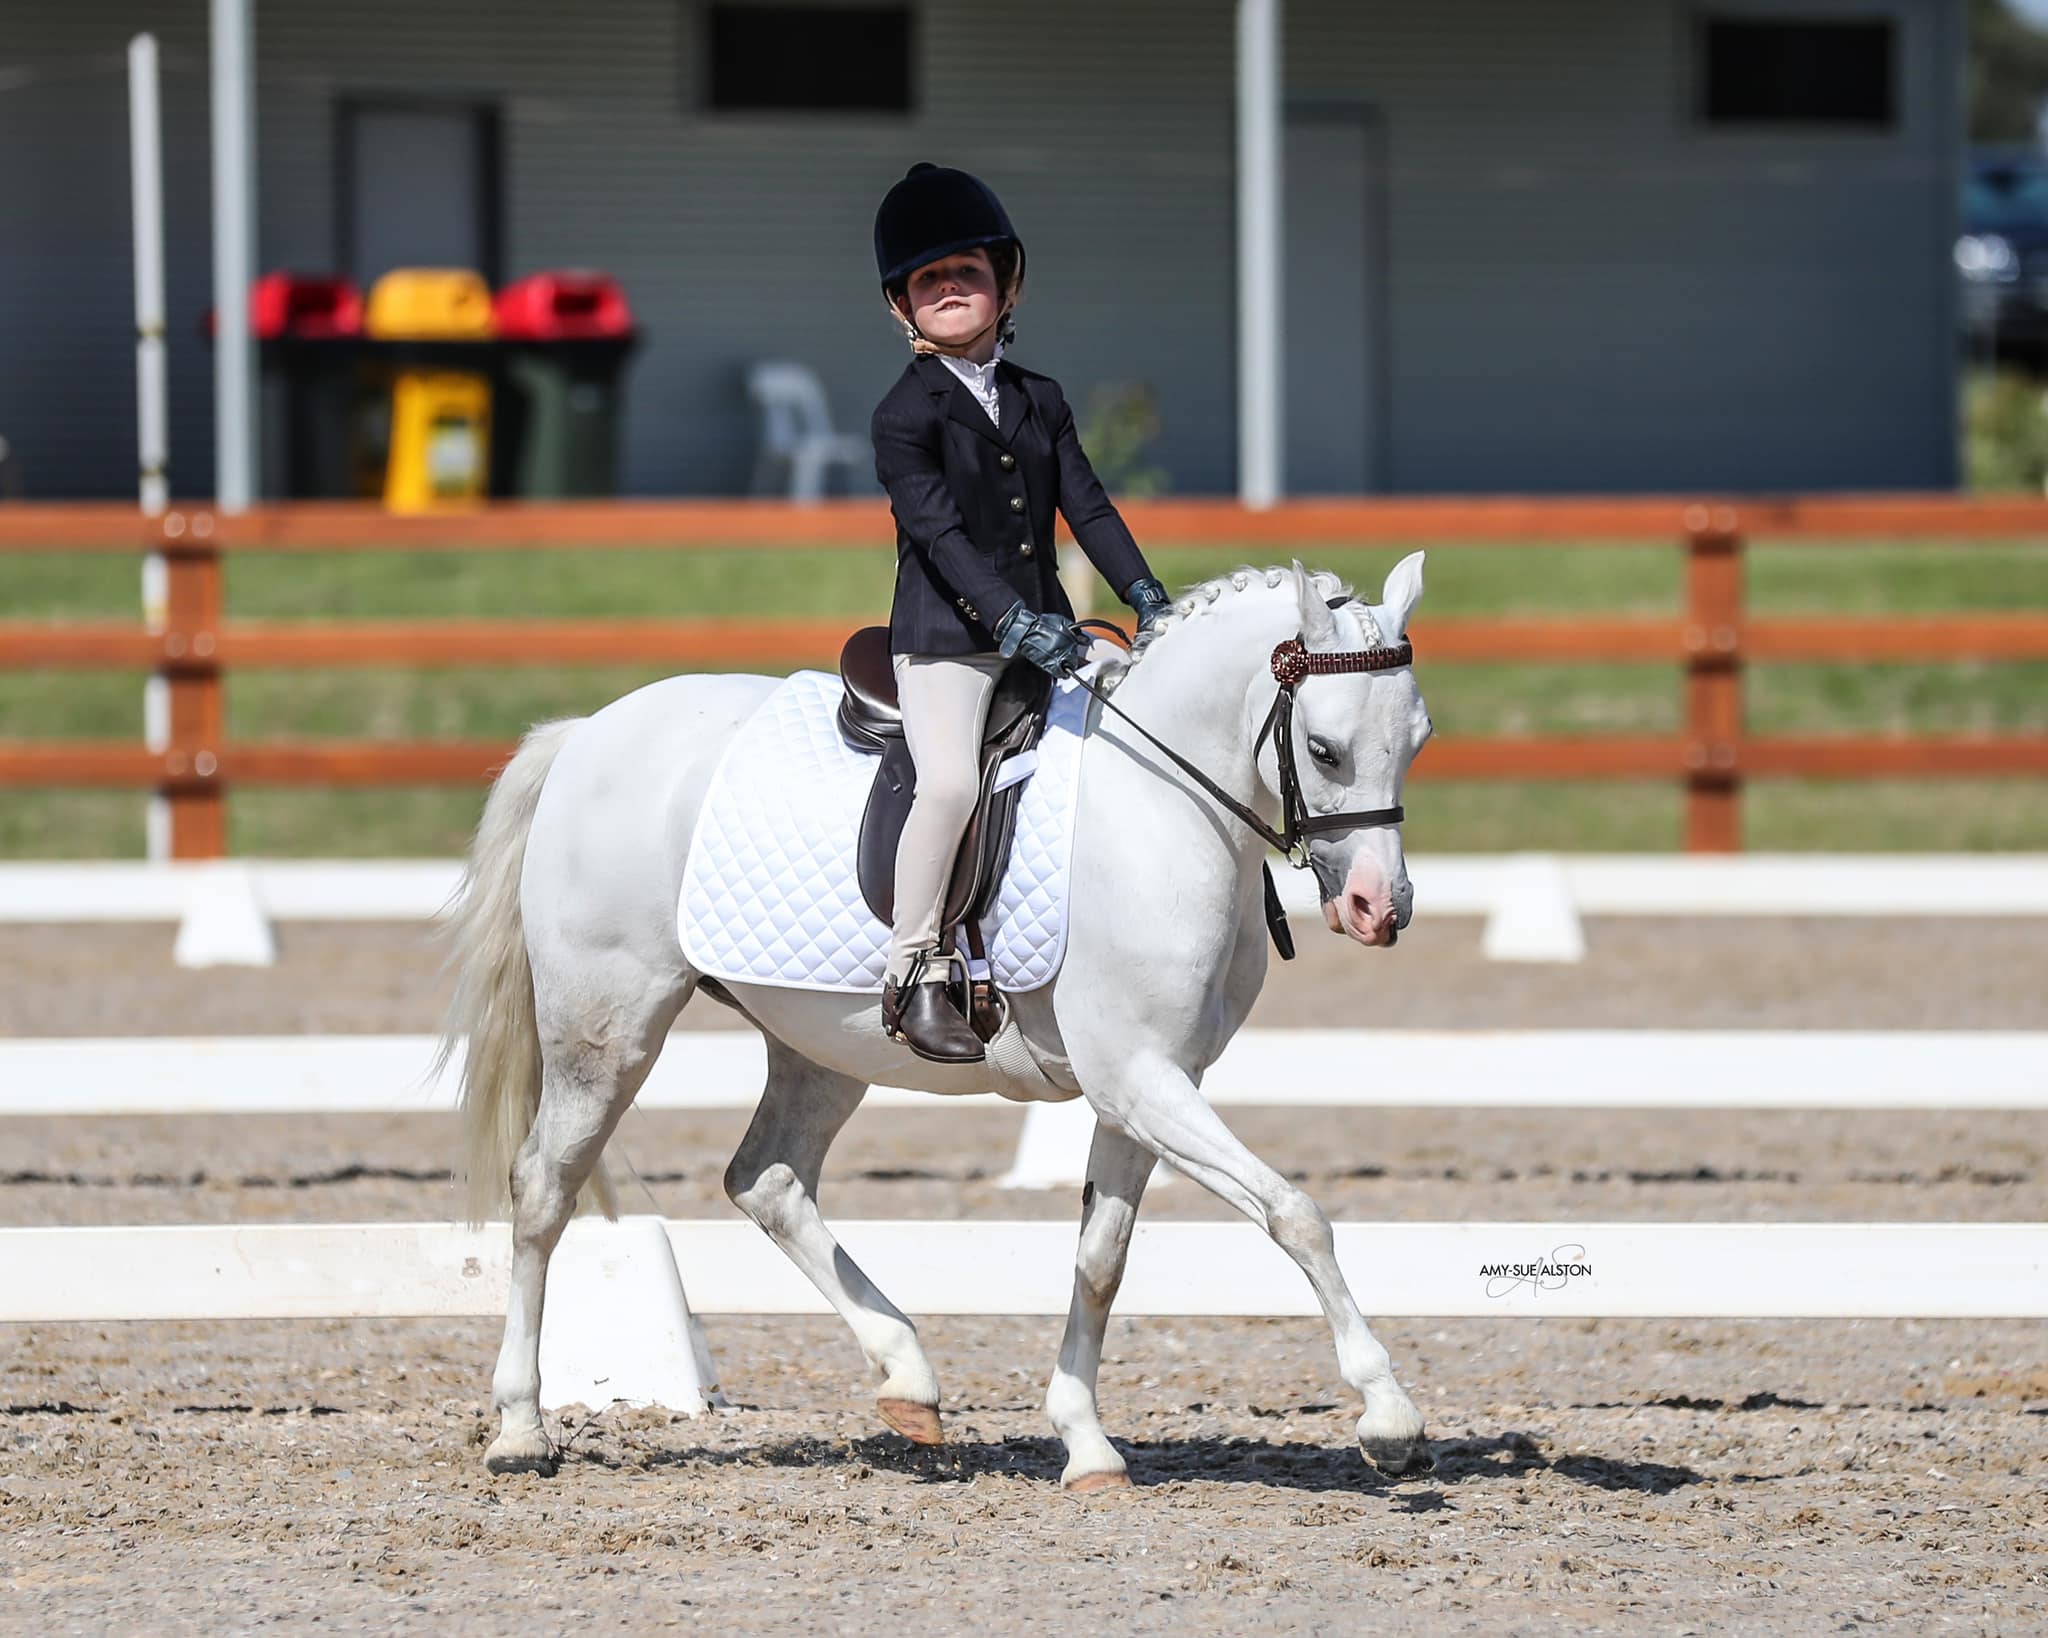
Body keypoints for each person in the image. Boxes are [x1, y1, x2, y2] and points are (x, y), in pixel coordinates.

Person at [870, 161, 1172, 1063]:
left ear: (1006, 286)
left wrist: (1146, 595)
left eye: (966, 271)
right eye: (929, 278)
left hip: (1047, 628)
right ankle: (912, 967)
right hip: (949, 643)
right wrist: (1007, 621)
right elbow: (938, 535)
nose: (949, 287)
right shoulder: (903, 415)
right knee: (952, 786)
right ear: (902, 305)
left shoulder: (1041, 398)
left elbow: (1090, 508)